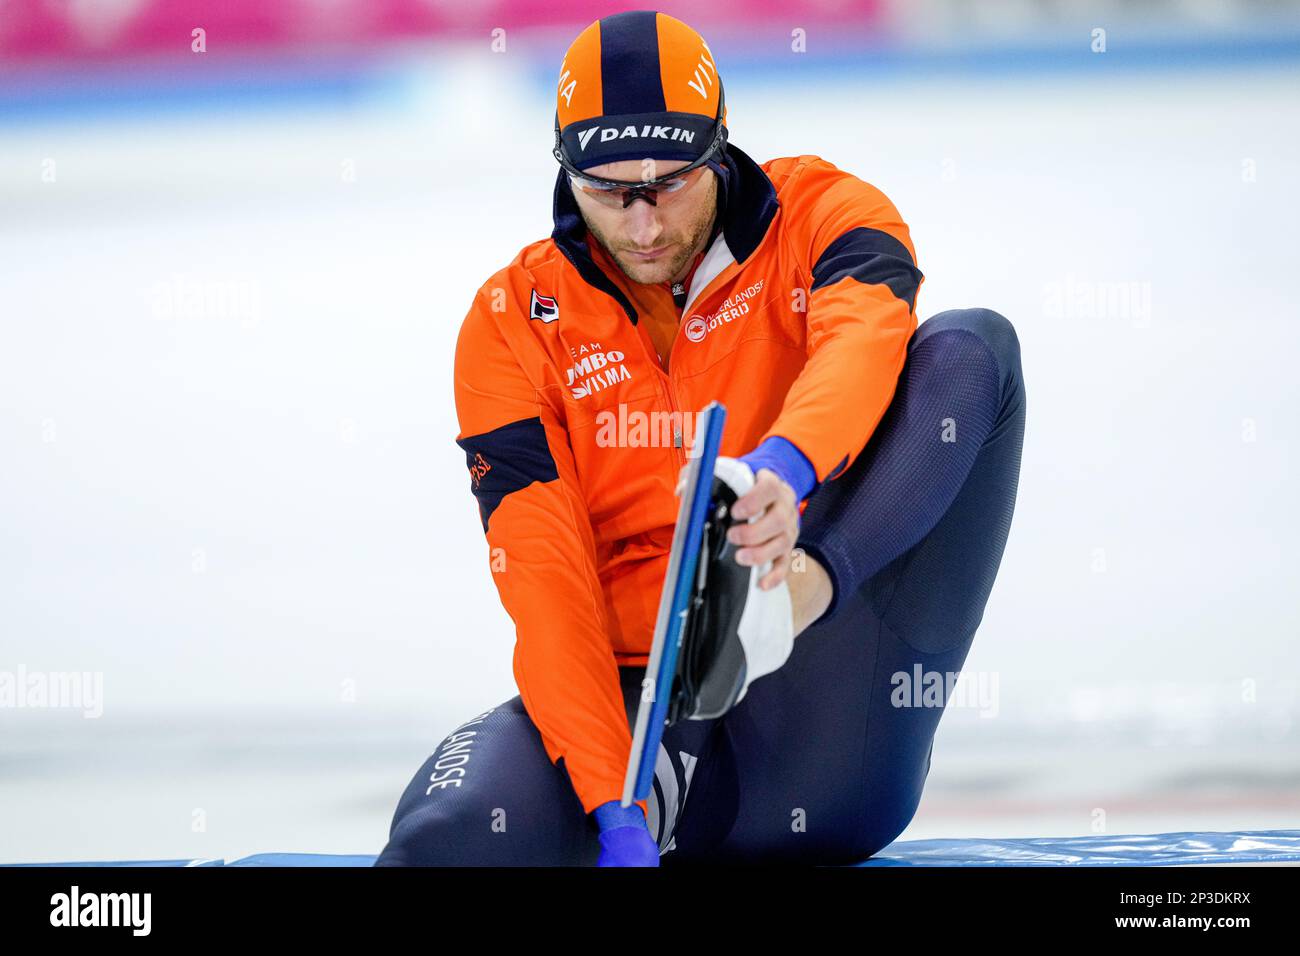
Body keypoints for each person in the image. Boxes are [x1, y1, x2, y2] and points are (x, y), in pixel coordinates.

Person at [376, 10, 1026, 866]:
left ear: (719, 146)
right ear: (564, 169)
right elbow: (545, 578)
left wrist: (785, 471)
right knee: (444, 842)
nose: (643, 226)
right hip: (635, 711)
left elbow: (862, 344)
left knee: (974, 351)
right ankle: (651, 790)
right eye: (609, 190)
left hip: (819, 703)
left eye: (669, 183)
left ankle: (800, 592)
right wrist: (613, 803)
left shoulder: (825, 215)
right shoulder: (511, 321)